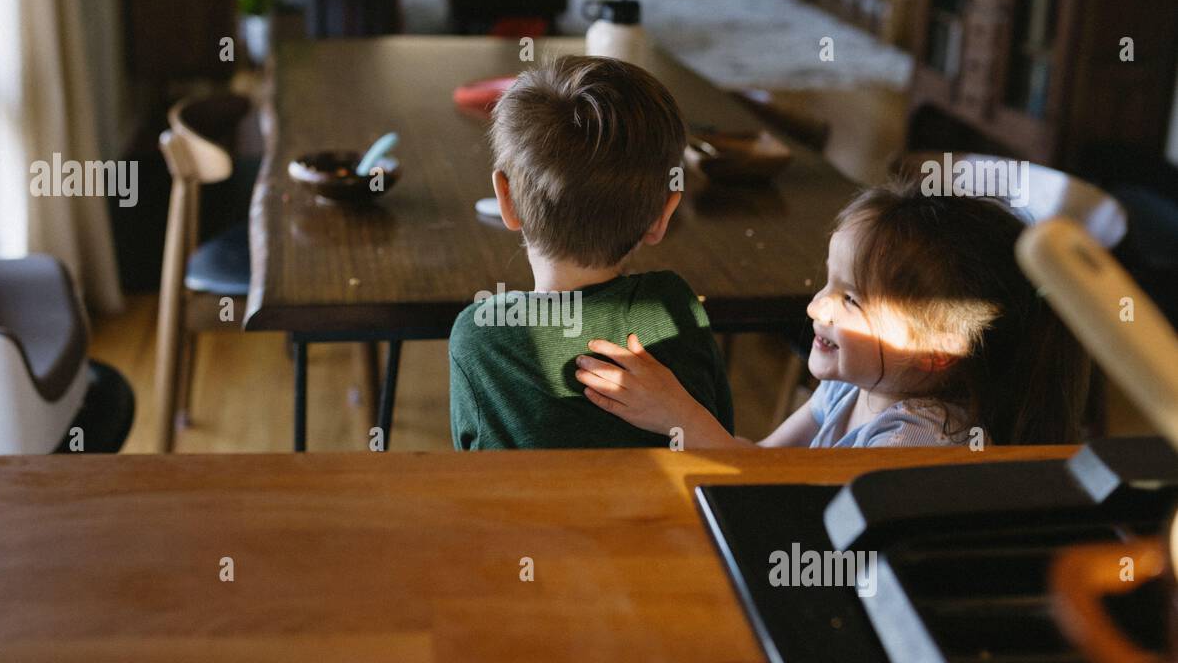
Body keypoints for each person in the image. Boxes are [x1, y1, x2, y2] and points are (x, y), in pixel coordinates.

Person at [575, 180, 1090, 447]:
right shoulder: (855, 384)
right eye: (829, 282)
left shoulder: (917, 440)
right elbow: (767, 463)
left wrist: (679, 415)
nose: (816, 304)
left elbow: (768, 490)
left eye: (851, 299)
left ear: (937, 348)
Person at [449, 55, 733, 449]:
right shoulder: (674, 307)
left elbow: (472, 470)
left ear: (505, 199)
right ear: (663, 215)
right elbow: (720, 438)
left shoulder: (480, 334)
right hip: (672, 512)